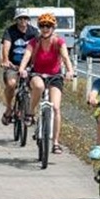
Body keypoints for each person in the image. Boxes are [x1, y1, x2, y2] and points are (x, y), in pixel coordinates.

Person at [17, 13, 75, 154]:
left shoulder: (58, 42)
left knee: (55, 108)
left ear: (53, 27)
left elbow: (66, 58)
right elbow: (27, 56)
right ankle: (30, 113)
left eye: (48, 26)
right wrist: (22, 68)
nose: (45, 28)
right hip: (37, 74)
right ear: (39, 28)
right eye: (42, 26)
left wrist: (70, 71)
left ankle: (55, 142)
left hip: (55, 76)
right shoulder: (34, 42)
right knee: (39, 86)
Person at [0, 12, 38, 125]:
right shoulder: (10, 31)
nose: (23, 21)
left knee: (36, 86)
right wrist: (6, 60)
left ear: (28, 20)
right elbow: (6, 46)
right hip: (14, 65)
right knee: (11, 84)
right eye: (20, 19)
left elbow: (38, 46)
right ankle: (9, 108)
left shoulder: (33, 32)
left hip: (29, 67)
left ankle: (31, 112)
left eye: (25, 18)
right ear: (16, 20)